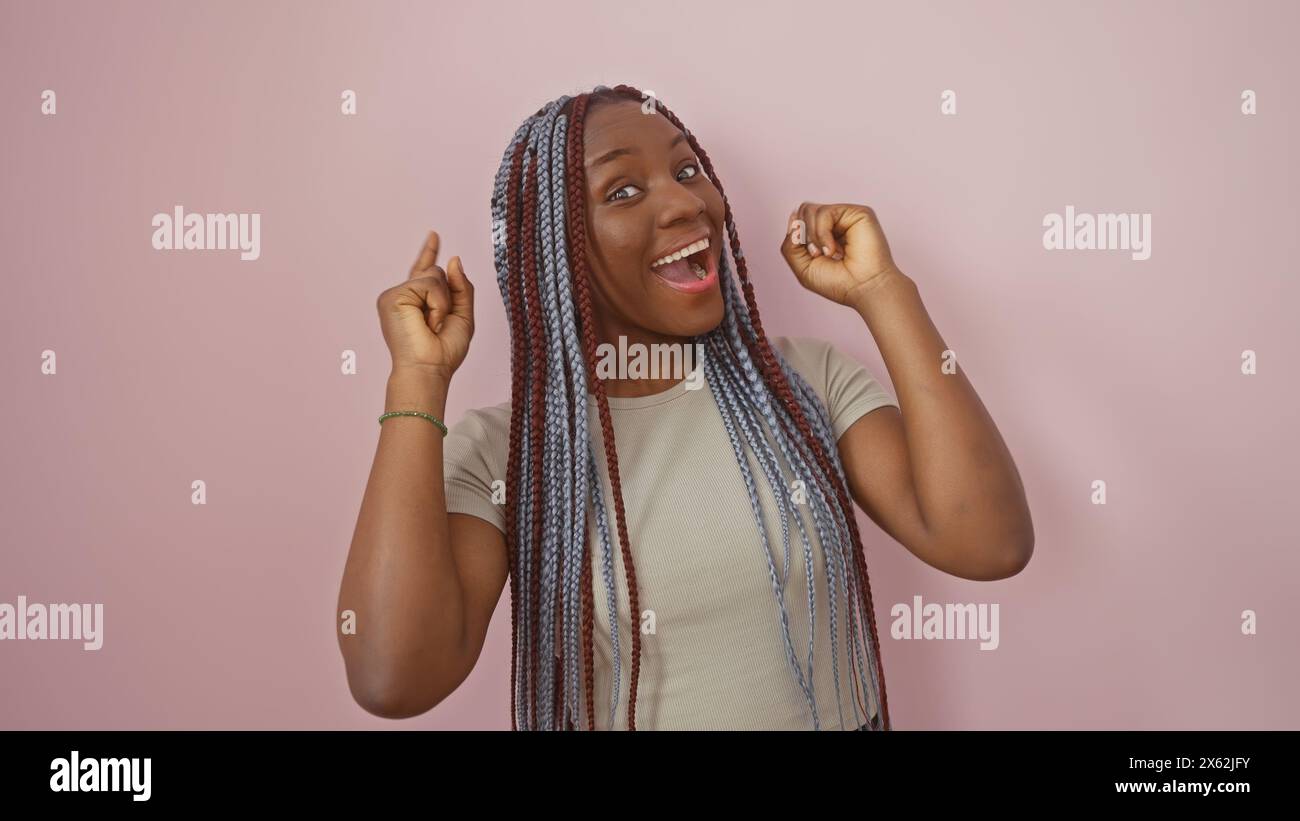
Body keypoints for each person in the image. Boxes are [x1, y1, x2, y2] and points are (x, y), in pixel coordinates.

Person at [337, 83, 1034, 731]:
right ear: (556, 249)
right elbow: (392, 677)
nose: (683, 204)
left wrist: (884, 288)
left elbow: (989, 543)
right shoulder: (507, 452)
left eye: (688, 170)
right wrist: (417, 380)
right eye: (624, 190)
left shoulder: (805, 383)